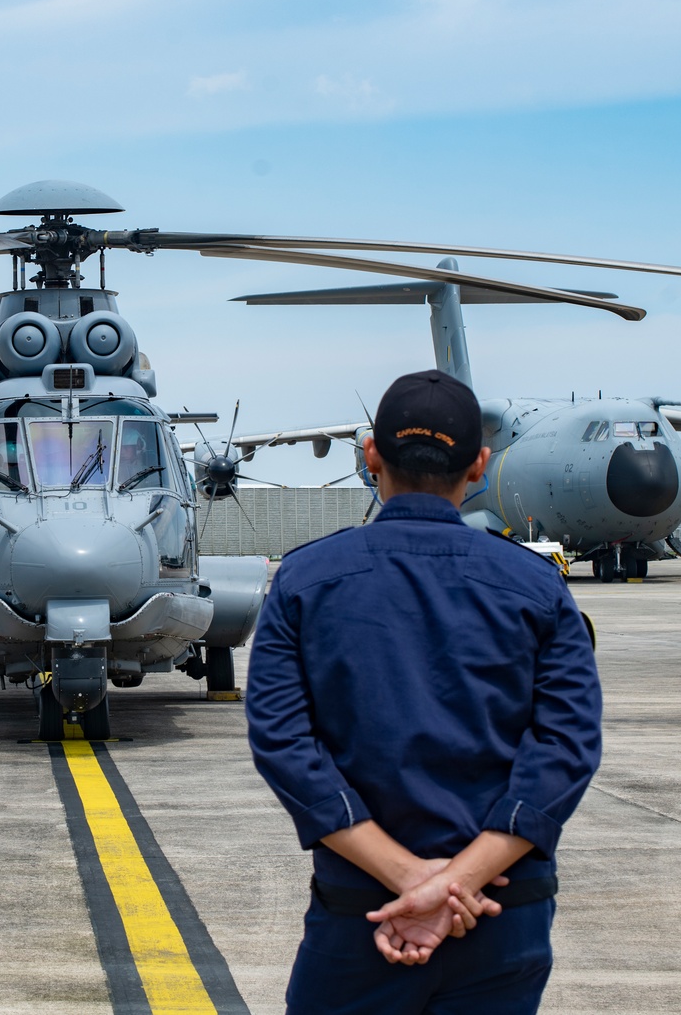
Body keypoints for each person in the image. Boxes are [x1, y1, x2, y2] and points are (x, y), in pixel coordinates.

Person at [246, 369, 602, 1014]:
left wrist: (410, 883)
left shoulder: (304, 580)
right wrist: (455, 884)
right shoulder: (538, 585)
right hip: (498, 910)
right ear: (479, 466)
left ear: (370, 454)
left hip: (365, 909)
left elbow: (283, 744)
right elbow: (567, 745)